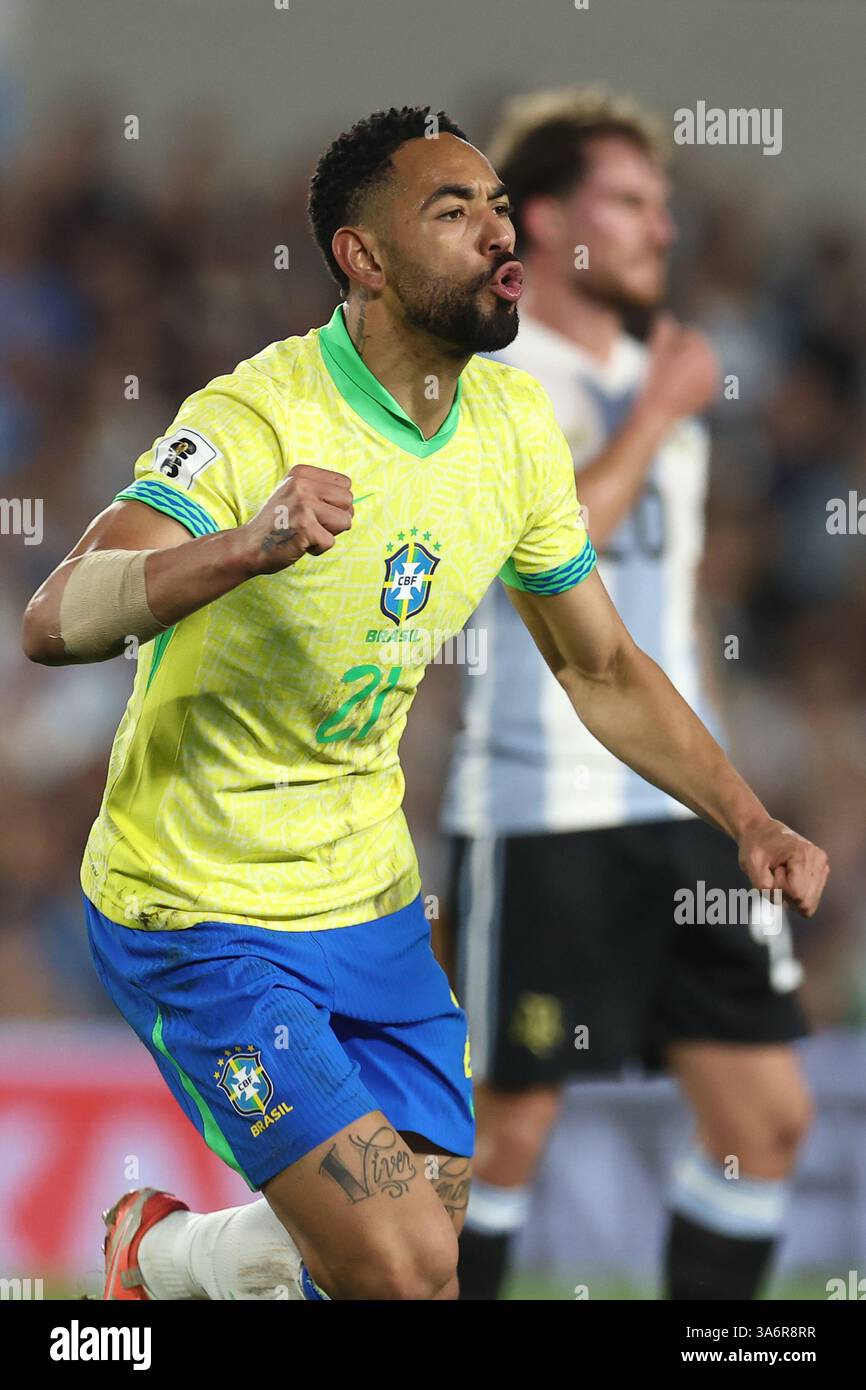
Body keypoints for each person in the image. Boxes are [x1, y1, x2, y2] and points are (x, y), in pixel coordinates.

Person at [23, 105, 827, 1302]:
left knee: (415, 1255)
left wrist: (745, 817)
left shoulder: (509, 431)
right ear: (363, 257)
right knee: (402, 1271)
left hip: (370, 906)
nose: (494, 228)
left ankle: (162, 1256)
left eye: (497, 205)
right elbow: (56, 614)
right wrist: (240, 549)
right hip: (199, 907)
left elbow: (598, 667)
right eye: (451, 211)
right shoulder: (255, 418)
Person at [440, 88, 816, 1301]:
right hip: (541, 809)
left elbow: (662, 607)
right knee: (503, 1136)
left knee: (762, 1119)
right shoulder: (495, 382)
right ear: (548, 223)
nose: (662, 227)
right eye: (632, 202)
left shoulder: (669, 387)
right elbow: (540, 560)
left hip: (681, 802)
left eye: (663, 204)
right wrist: (652, 419)